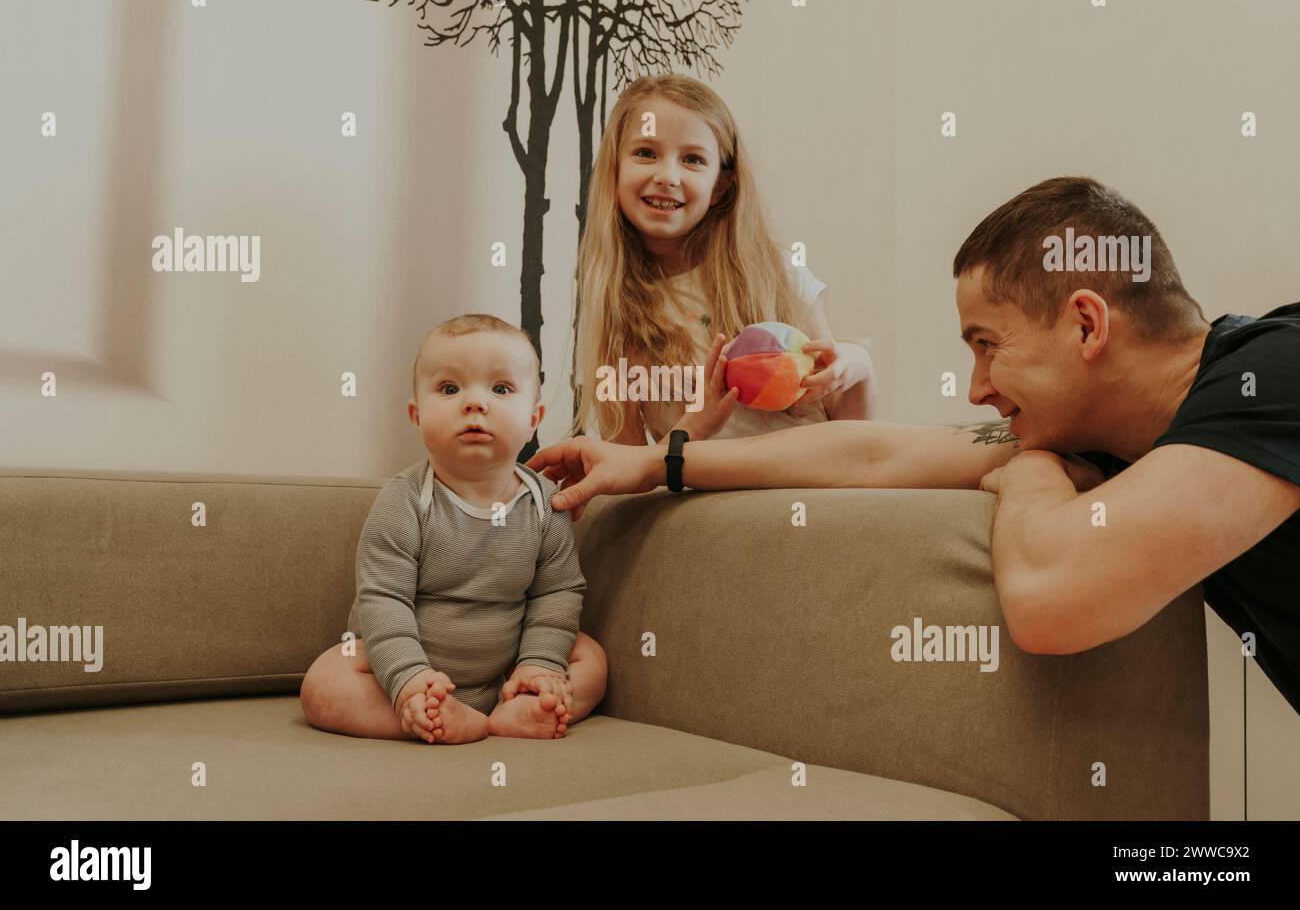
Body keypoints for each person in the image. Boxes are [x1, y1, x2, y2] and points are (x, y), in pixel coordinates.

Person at [530, 177, 1300, 715]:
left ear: (1088, 325)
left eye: (988, 345)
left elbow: (1050, 600)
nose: (976, 389)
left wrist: (1028, 470)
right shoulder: (1124, 433)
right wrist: (657, 463)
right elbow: (876, 454)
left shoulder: (1276, 377)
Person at [301, 314, 608, 743]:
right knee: (325, 680)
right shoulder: (404, 500)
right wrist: (409, 678)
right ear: (417, 415)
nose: (475, 403)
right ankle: (425, 714)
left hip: (507, 667)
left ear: (534, 417)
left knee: (590, 658)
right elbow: (383, 600)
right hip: (407, 667)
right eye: (450, 389)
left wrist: (539, 664)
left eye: (500, 389)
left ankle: (523, 703)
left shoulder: (545, 504)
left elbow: (556, 594)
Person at [572, 73, 879, 445]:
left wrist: (858, 365)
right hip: (699, 499)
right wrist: (694, 430)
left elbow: (849, 445)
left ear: (721, 186)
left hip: (805, 491)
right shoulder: (615, 307)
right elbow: (628, 466)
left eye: (693, 159)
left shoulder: (777, 275)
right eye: (646, 153)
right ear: (614, 169)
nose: (667, 176)